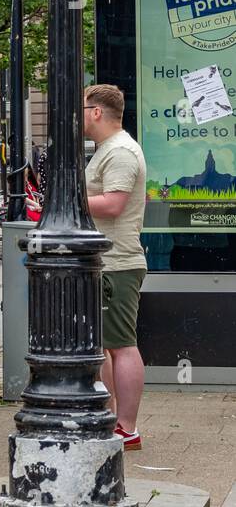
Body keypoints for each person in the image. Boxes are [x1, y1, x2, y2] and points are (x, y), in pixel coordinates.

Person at [84, 84, 148, 450]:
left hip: (117, 262)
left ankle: (127, 427)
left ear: (96, 112)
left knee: (121, 345)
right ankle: (111, 421)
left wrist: (69, 198)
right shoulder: (108, 150)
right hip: (107, 261)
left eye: (82, 107)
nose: (77, 116)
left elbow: (112, 204)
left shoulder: (120, 152)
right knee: (107, 345)